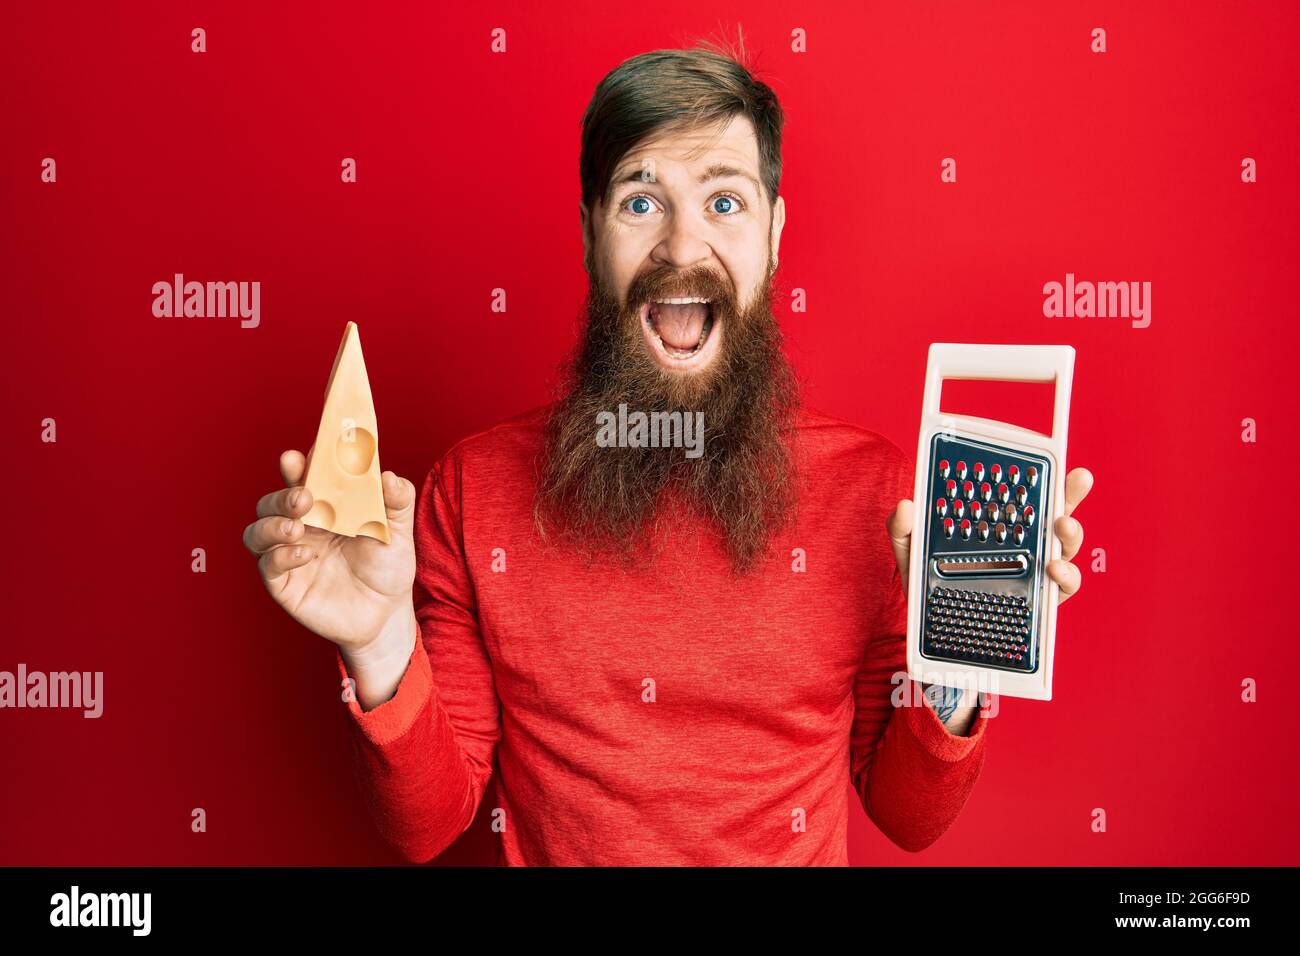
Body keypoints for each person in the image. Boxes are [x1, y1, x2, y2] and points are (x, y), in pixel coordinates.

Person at [242, 42, 1093, 865]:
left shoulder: (880, 493)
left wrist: (966, 643)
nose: (684, 249)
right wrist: (379, 640)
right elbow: (425, 826)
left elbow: (910, 818)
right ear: (589, 233)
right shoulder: (472, 492)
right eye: (640, 202)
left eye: (725, 202)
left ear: (774, 232)